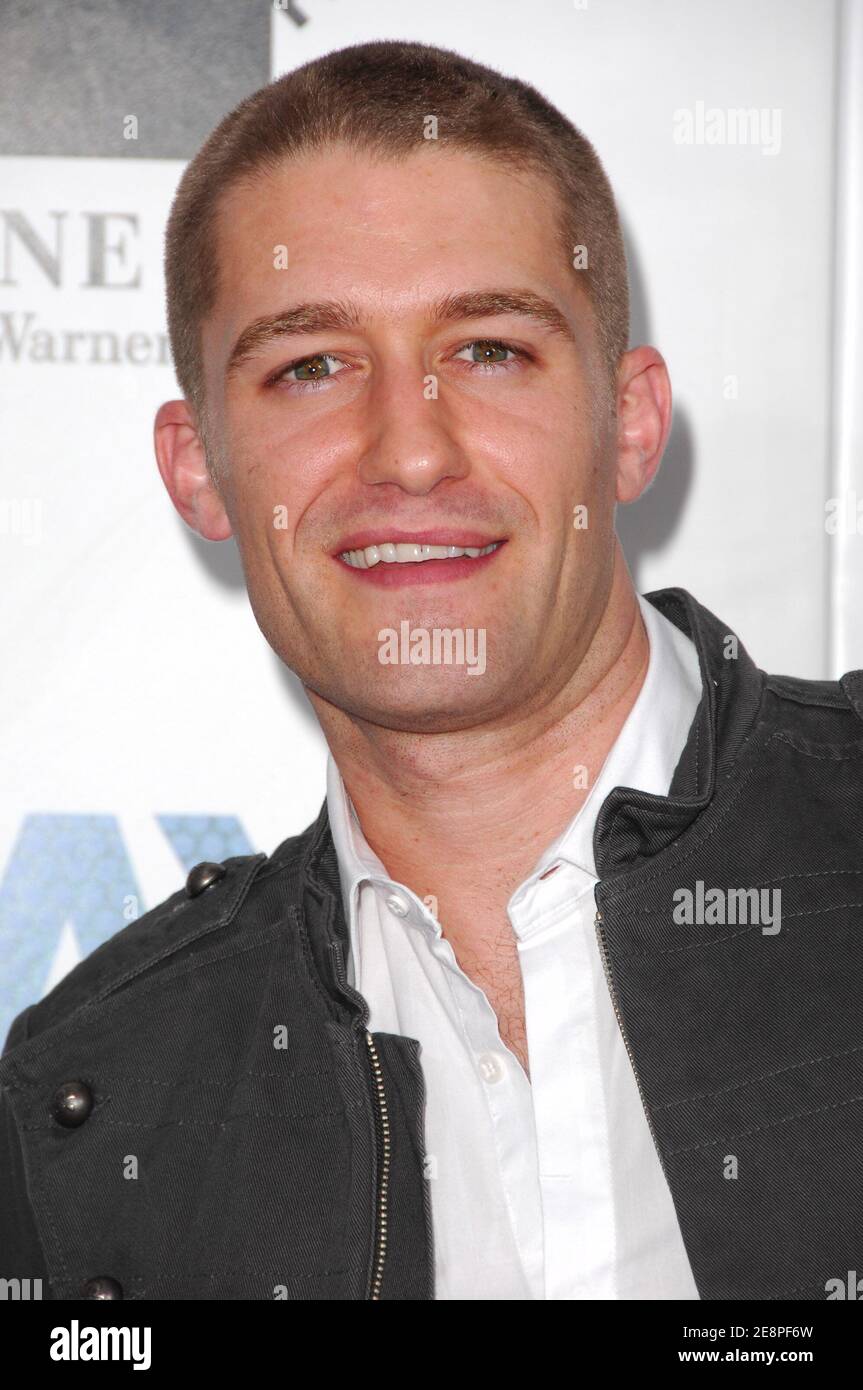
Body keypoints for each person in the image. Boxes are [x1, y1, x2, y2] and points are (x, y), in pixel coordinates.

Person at [2, 39, 861, 1303]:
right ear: (198, 470)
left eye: (489, 349)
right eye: (310, 366)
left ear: (627, 422)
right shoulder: (97, 1103)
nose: (408, 450)